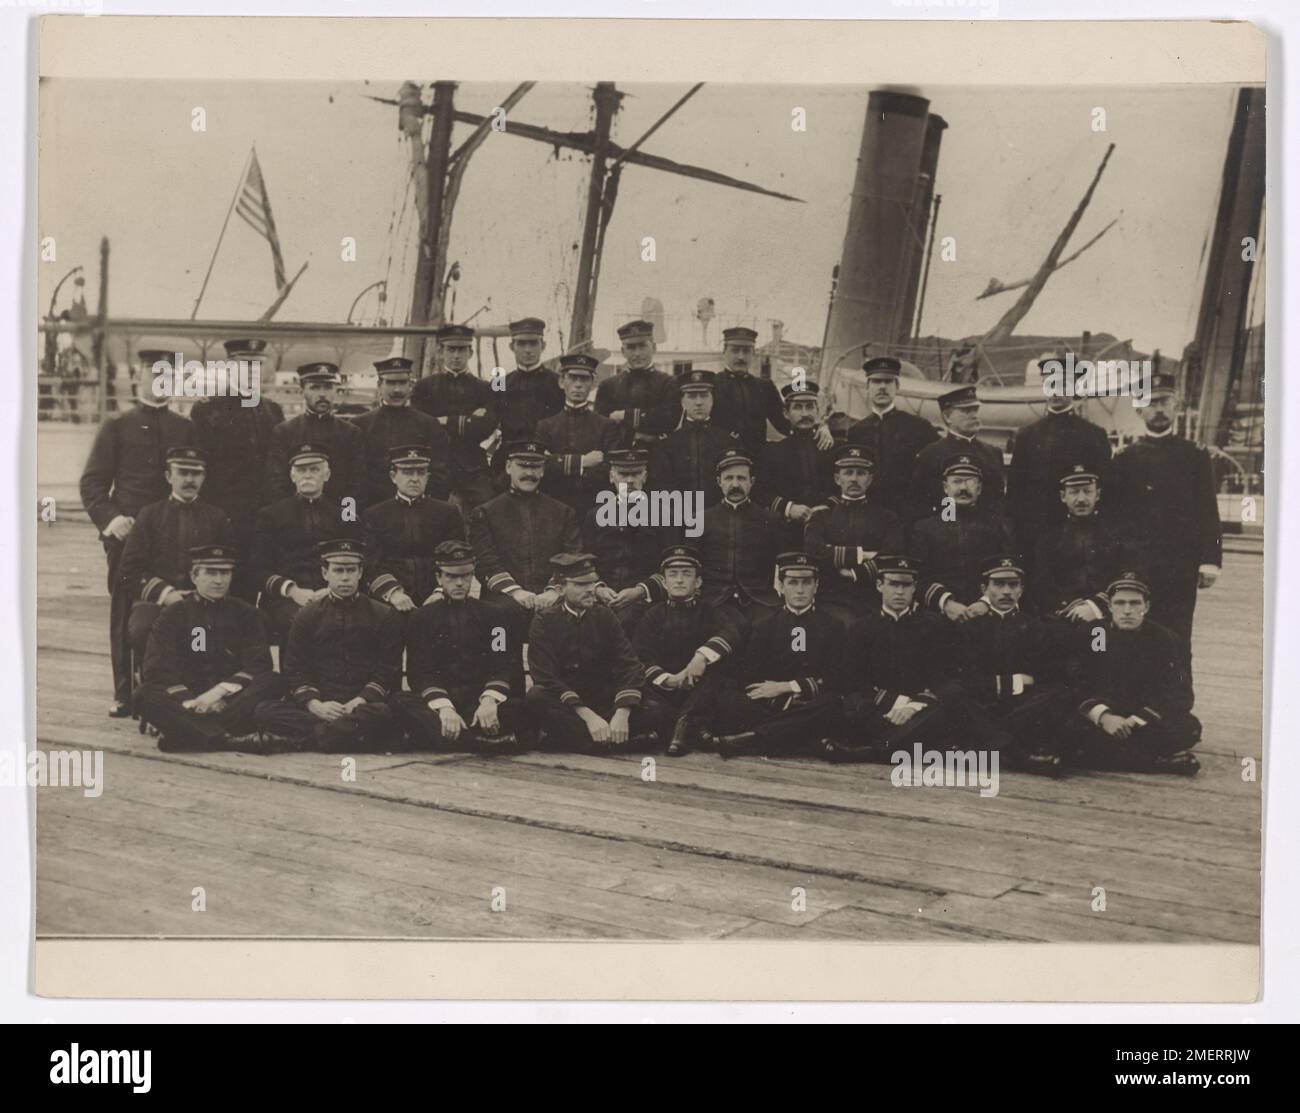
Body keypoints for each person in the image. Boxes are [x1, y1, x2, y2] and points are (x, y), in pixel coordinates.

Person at [78, 348, 195, 715]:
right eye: (153, 374)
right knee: (127, 613)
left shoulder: (185, 428)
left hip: (173, 535)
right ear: (138, 379)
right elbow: (93, 484)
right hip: (127, 538)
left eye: (167, 375)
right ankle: (125, 692)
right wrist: (112, 521)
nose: (160, 381)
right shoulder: (118, 425)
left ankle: (167, 687)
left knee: (175, 608)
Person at [1107, 371, 1221, 653]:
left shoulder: (1194, 455)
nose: (1159, 409)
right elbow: (1114, 516)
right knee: (1134, 636)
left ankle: (1176, 698)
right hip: (1136, 564)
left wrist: (1210, 561)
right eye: (1152, 403)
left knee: (1177, 635)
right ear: (1139, 409)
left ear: (1176, 406)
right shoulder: (1125, 458)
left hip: (1180, 564)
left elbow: (1208, 509)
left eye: (1165, 402)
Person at [253, 539, 402, 753]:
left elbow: (387, 670)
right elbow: (295, 669)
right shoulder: (306, 615)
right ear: (325, 574)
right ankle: (344, 736)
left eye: (351, 570)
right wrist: (315, 705)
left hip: (363, 705)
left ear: (360, 573)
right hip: (322, 705)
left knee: (383, 712)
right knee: (264, 710)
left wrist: (359, 701)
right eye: (338, 570)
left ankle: (307, 740)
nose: (345, 577)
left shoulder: (382, 614)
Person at [135, 544, 285, 752]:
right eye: (211, 573)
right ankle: (226, 740)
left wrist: (215, 696)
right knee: (145, 693)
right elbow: (156, 668)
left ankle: (190, 735)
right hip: (188, 701)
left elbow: (259, 663)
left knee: (272, 680)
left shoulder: (246, 613)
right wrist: (192, 702)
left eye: (225, 573)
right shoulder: (174, 614)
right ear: (194, 576)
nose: (218, 580)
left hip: (230, 701)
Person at [391, 540, 533, 753]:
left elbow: (502, 663)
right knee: (399, 701)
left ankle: (449, 739)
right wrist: (445, 708)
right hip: (442, 703)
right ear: (439, 578)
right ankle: (481, 742)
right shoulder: (421, 618)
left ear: (472, 576)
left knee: (521, 706)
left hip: (479, 703)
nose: (459, 583)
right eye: (451, 576)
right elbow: (420, 672)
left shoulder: (495, 615)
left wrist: (489, 701)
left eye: (465, 576)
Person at [1062, 570, 1201, 775]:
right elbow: (1076, 681)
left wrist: (1135, 720)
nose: (1127, 611)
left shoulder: (1164, 639)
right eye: (1120, 603)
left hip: (1142, 720)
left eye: (1135, 603)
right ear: (1109, 606)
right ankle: (1156, 763)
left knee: (1188, 727)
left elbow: (1180, 694)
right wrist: (1105, 717)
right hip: (1104, 717)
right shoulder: (1095, 634)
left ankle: (1109, 756)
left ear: (1146, 606)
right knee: (1068, 728)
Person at [708, 552, 845, 756]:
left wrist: (787, 688)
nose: (799, 590)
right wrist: (778, 698)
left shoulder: (834, 626)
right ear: (780, 586)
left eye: (806, 582)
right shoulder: (764, 626)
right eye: (792, 582)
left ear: (816, 585)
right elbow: (752, 676)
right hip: (774, 707)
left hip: (809, 702)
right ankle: (801, 742)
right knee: (728, 699)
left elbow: (835, 677)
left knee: (832, 704)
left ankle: (754, 739)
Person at [941, 555, 1066, 775]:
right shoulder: (968, 627)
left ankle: (983, 747)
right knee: (952, 692)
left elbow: (1045, 674)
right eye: (998, 584)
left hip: (1019, 707)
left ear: (1021, 590)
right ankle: (1020, 756)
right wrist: (1014, 681)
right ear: (984, 589)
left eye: (1013, 584)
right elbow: (962, 677)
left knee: (1057, 692)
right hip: (982, 703)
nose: (1006, 591)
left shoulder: (1035, 626)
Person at [821, 555, 952, 763]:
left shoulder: (933, 626)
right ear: (880, 585)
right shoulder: (861, 627)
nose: (899, 592)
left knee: (939, 714)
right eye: (893, 584)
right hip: (879, 710)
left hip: (918, 712)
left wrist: (912, 707)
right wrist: (895, 704)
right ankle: (897, 747)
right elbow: (852, 680)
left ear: (914, 588)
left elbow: (941, 677)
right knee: (853, 707)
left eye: (906, 585)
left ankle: (866, 753)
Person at [467, 437, 581, 663]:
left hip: (552, 597)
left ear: (543, 470)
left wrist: (553, 591)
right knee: (497, 635)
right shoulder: (486, 513)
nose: (529, 473)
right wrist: (516, 592)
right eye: (523, 466)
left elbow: (572, 558)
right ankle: (505, 689)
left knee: (570, 623)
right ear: (509, 467)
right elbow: (485, 562)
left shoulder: (562, 512)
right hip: (504, 601)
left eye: (535, 466)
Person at [189, 338, 286, 600]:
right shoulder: (208, 409)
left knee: (254, 586)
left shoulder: (272, 411)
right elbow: (201, 467)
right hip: (224, 517)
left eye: (256, 366)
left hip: (261, 517)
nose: (250, 372)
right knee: (221, 586)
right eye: (244, 365)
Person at [524, 553, 651, 753]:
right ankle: (611, 743)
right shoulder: (544, 621)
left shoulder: (605, 615)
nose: (590, 590)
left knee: (656, 709)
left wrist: (622, 712)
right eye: (581, 585)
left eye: (592, 583)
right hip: (571, 707)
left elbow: (629, 665)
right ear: (560, 589)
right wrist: (588, 716)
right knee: (536, 696)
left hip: (604, 702)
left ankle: (580, 741)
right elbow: (545, 677)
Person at [119, 446, 233, 662]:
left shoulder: (217, 517)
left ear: (204, 477)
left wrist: (204, 593)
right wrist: (166, 594)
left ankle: (204, 685)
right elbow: (130, 570)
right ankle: (155, 685)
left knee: (214, 634)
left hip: (207, 600)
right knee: (142, 629)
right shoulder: (149, 515)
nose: (190, 479)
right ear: (168, 476)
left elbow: (230, 565)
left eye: (196, 473)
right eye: (183, 472)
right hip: (158, 602)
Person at [634, 544, 742, 757]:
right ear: (664, 582)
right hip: (666, 689)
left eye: (687, 574)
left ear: (698, 581)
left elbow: (731, 634)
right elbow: (641, 656)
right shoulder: (653, 615)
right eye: (673, 575)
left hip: (699, 687)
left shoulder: (709, 611)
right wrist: (669, 680)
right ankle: (691, 728)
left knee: (718, 679)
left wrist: (701, 657)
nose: (680, 580)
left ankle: (681, 728)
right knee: (646, 697)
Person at [1006, 357, 1112, 566]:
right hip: (1035, 535)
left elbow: (1105, 490)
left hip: (1078, 536)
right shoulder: (1027, 436)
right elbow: (1015, 494)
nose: (1056, 391)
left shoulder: (1093, 435)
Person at [251, 443, 359, 645]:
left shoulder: (343, 513)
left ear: (326, 475)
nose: (307, 475)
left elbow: (355, 558)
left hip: (333, 592)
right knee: (300, 622)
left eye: (314, 469)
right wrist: (293, 591)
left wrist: (330, 589)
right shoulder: (270, 515)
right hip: (286, 599)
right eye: (301, 470)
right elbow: (258, 569)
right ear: (292, 476)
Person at [803, 445, 903, 629]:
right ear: (837, 478)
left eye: (861, 473)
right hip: (832, 598)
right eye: (848, 473)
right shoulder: (822, 516)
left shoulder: (887, 517)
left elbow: (893, 554)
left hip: (875, 597)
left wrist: (854, 573)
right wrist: (861, 555)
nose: (854, 479)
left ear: (870, 479)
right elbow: (813, 550)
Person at [906, 456, 1014, 621]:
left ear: (979, 488)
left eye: (970, 481)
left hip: (987, 612)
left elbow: (1008, 572)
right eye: (957, 481)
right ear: (945, 487)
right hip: (938, 614)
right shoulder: (925, 528)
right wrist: (946, 603)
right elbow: (916, 576)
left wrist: (985, 602)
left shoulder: (998, 528)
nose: (963, 487)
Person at [362, 445, 466, 611]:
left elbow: (456, 556)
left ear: (428, 477)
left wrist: (440, 591)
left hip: (439, 596)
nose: (415, 479)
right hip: (392, 601)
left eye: (421, 473)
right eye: (407, 473)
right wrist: (393, 593)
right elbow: (371, 563)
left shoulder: (447, 512)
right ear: (393, 476)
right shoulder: (375, 515)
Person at [1032, 464, 1140, 621]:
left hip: (1107, 617)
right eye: (1074, 492)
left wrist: (1095, 606)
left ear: (1098, 494)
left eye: (1087, 491)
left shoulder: (1118, 533)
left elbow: (1127, 574)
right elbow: (1042, 582)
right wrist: (1072, 608)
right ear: (1063, 496)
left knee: (1100, 643)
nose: (1081, 499)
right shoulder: (1049, 537)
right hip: (1064, 616)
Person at [581, 448, 671, 635]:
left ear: (644, 477)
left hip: (645, 601)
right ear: (611, 477)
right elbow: (585, 561)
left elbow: (670, 565)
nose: (630, 481)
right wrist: (598, 589)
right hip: (601, 598)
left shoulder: (664, 515)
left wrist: (640, 590)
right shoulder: (595, 516)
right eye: (623, 474)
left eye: (636, 474)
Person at [411, 323, 499, 511]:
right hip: (435, 464)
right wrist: (468, 420)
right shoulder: (424, 387)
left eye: (461, 350)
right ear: (441, 352)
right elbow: (421, 426)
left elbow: (486, 426)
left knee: (488, 508)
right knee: (429, 512)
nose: (456, 356)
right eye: (451, 349)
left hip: (472, 465)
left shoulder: (484, 388)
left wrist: (443, 420)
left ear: (471, 353)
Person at [711, 326, 833, 456]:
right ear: (724, 352)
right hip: (722, 460)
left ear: (754, 354)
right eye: (735, 351)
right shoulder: (713, 384)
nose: (741, 357)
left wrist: (820, 427)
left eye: (746, 351)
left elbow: (785, 423)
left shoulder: (764, 386)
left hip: (757, 460)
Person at [349, 356, 452, 507]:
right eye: (390, 383)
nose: (397, 390)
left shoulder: (428, 424)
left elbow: (440, 474)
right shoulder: (360, 425)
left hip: (418, 508)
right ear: (379, 385)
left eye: (402, 383)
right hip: (373, 509)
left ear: (410, 385)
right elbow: (354, 476)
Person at [694, 450, 780, 631]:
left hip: (760, 601)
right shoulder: (701, 519)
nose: (735, 484)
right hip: (714, 600)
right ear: (719, 482)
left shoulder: (769, 520)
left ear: (752, 482)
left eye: (741, 478)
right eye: (728, 478)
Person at [845, 355, 938, 518]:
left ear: (897, 386)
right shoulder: (856, 432)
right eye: (876, 381)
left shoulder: (920, 427)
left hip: (907, 515)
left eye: (888, 381)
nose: (882, 387)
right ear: (867, 386)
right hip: (869, 514)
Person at [265, 362, 367, 505]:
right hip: (296, 515)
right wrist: (289, 517)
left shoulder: (350, 433)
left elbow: (357, 482)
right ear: (302, 391)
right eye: (315, 387)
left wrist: (346, 518)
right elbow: (277, 481)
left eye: (328, 387)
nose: (322, 394)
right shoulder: (285, 431)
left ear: (336, 390)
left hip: (338, 516)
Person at [535, 352, 622, 518]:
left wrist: (558, 462)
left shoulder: (606, 425)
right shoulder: (545, 426)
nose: (578, 385)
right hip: (554, 504)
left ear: (593, 383)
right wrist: (584, 462)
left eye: (584, 379)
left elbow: (610, 467)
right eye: (573, 378)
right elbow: (540, 464)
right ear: (561, 382)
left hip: (594, 505)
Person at [755, 379, 837, 549]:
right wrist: (789, 508)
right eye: (798, 407)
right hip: (786, 532)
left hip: (828, 531)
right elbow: (761, 491)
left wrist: (827, 506)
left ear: (817, 411)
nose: (804, 413)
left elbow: (842, 487)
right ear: (786, 413)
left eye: (809, 407)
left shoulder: (831, 448)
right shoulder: (773, 452)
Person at [906, 384, 1005, 521]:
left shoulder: (993, 453)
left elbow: (998, 503)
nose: (974, 416)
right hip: (944, 534)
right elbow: (919, 505)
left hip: (986, 535)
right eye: (966, 411)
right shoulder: (930, 455)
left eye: (975, 410)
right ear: (947, 417)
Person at [647, 369, 741, 507]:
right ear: (682, 402)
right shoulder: (667, 443)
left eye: (704, 396)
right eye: (691, 396)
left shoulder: (729, 441)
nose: (698, 402)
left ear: (712, 400)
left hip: (718, 519)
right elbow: (661, 487)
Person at [594, 318, 679, 447]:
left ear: (654, 348)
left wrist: (624, 416)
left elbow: (668, 419)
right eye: (631, 348)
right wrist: (645, 425)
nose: (637, 353)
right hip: (618, 454)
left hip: (658, 457)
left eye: (642, 346)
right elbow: (601, 425)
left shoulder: (669, 383)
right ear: (623, 351)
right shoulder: (608, 386)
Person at [496, 316, 563, 452]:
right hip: (508, 456)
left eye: (533, 343)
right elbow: (490, 419)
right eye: (521, 343)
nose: (528, 350)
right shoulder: (499, 382)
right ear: (511, 347)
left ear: (543, 346)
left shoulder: (558, 382)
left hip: (546, 456)